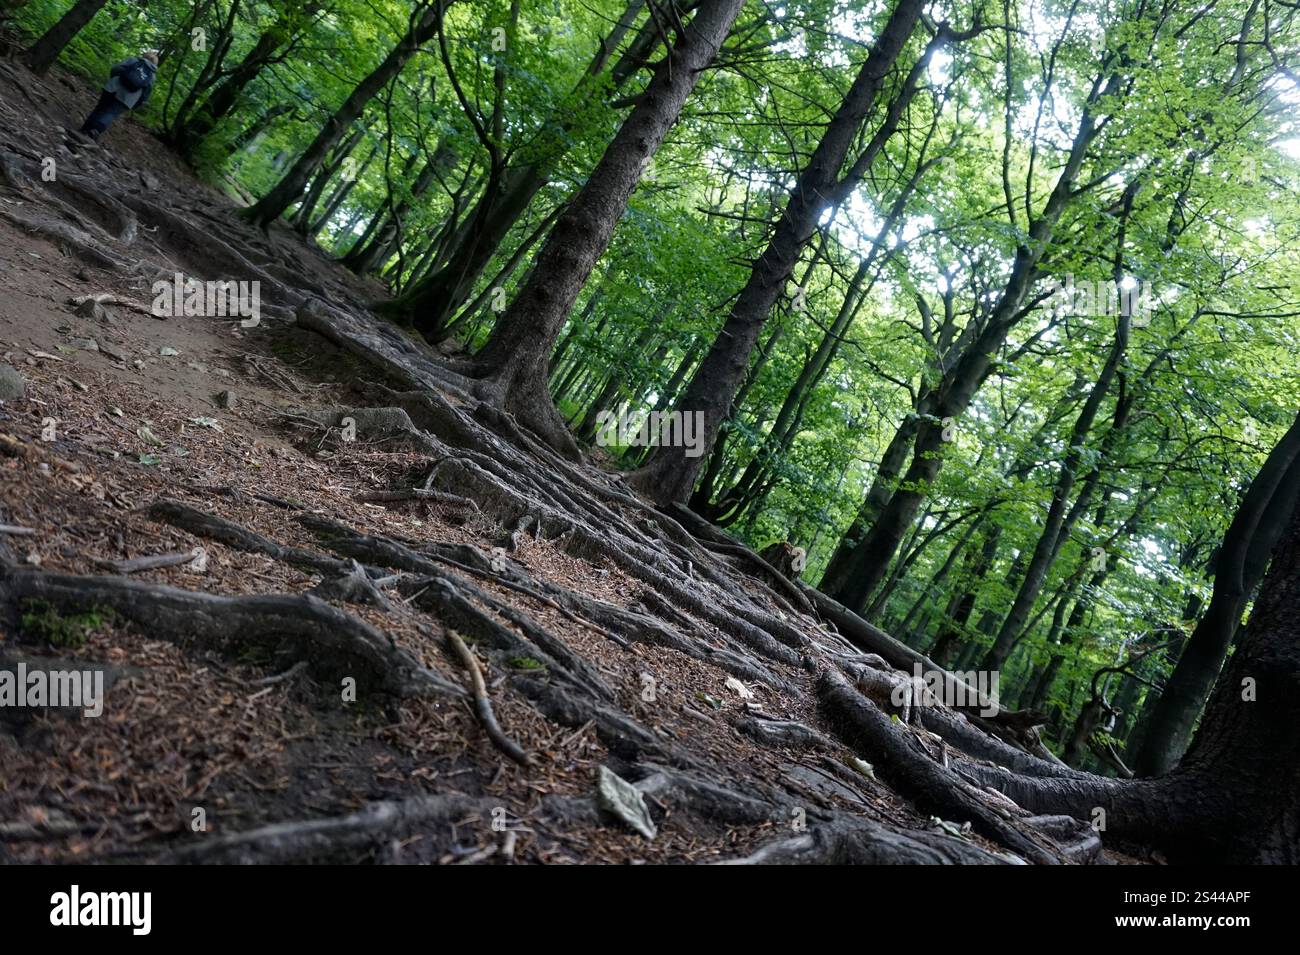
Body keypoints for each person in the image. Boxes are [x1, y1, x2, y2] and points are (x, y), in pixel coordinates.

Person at [78, 50, 159, 141]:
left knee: (100, 108)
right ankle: (94, 131)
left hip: (113, 87)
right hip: (128, 99)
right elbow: (145, 94)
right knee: (111, 113)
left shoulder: (133, 60)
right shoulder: (152, 76)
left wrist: (114, 79)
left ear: (144, 56)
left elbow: (115, 68)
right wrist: (135, 105)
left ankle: (84, 129)